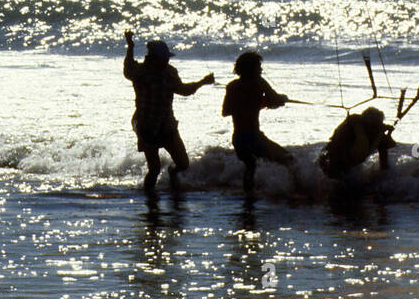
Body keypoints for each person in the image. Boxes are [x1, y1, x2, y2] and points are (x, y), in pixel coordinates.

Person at [124, 30, 214, 194]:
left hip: (166, 124)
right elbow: (128, 68)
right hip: (146, 125)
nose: (167, 60)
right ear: (153, 58)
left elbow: (183, 90)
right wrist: (130, 46)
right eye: (164, 57)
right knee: (154, 169)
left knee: (183, 164)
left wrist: (202, 82)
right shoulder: (140, 72)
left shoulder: (169, 72)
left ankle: (173, 173)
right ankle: (149, 200)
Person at [222, 50, 298, 195]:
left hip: (238, 139)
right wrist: (282, 98)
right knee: (288, 159)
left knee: (251, 166)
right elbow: (275, 100)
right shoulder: (259, 83)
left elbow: (226, 111)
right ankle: (295, 190)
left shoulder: (231, 86)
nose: (261, 69)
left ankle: (248, 199)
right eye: (259, 66)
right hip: (254, 138)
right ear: (252, 69)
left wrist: (259, 103)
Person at [318, 107, 396, 180]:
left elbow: (384, 165)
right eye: (372, 126)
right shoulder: (349, 131)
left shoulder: (379, 134)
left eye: (377, 126)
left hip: (350, 164)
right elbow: (335, 153)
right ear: (364, 124)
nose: (373, 130)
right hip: (330, 159)